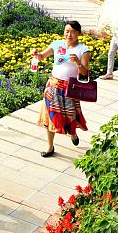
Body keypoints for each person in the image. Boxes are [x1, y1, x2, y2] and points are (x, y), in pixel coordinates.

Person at [31, 21, 90, 158]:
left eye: (73, 32)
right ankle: (50, 146)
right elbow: (41, 57)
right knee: (50, 117)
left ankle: (73, 133)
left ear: (78, 34)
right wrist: (36, 54)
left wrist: (78, 62)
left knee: (70, 116)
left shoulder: (83, 50)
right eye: (67, 31)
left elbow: (85, 73)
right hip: (53, 86)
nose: (69, 34)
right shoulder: (56, 44)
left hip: (70, 88)